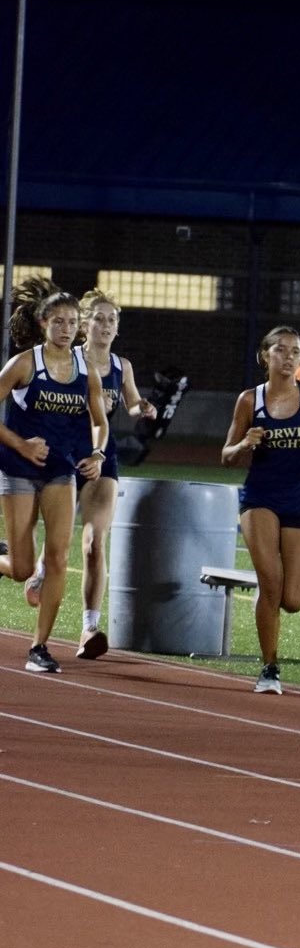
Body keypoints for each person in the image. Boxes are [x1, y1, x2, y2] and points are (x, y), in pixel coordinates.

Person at [26, 290, 158, 660]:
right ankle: (40, 567)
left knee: (94, 542)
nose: (105, 325)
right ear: (84, 323)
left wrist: (143, 407)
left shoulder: (121, 366)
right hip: (62, 454)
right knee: (60, 538)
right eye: (98, 318)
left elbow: (131, 402)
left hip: (100, 458)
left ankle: (89, 627)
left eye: (112, 320)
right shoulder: (65, 359)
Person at [0, 278, 108, 673]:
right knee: (23, 569)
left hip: (61, 471)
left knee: (59, 558)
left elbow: (99, 421)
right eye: (58, 321)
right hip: (18, 469)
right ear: (43, 322)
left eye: (72, 322)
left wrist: (97, 453)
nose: (66, 328)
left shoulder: (86, 370)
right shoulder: (24, 364)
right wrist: (22, 444)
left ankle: (39, 647)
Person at [221, 325, 300, 693]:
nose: (288, 357)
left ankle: (269, 606)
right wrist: (244, 444)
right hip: (260, 498)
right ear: (265, 356)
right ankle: (270, 667)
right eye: (280, 350)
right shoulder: (249, 400)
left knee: (294, 600)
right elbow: (226, 456)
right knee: (270, 583)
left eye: (295, 351)